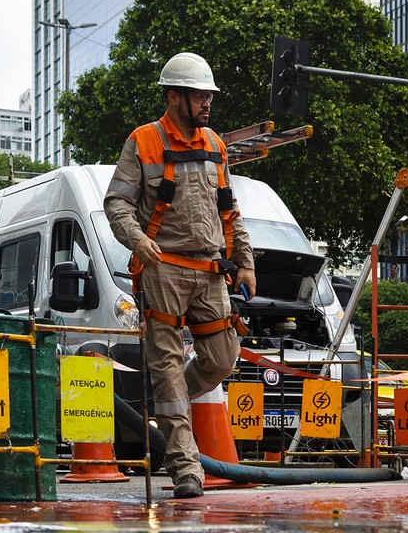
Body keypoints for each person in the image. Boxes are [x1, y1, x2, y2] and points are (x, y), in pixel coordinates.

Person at [104, 52, 256, 499]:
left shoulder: (215, 145)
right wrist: (136, 240)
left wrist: (244, 259)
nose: (207, 103)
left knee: (222, 358)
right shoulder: (143, 141)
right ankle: (187, 469)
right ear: (174, 97)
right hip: (163, 270)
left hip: (209, 272)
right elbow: (117, 202)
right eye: (199, 95)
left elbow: (229, 210)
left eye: (209, 95)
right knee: (167, 369)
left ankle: (166, 402)